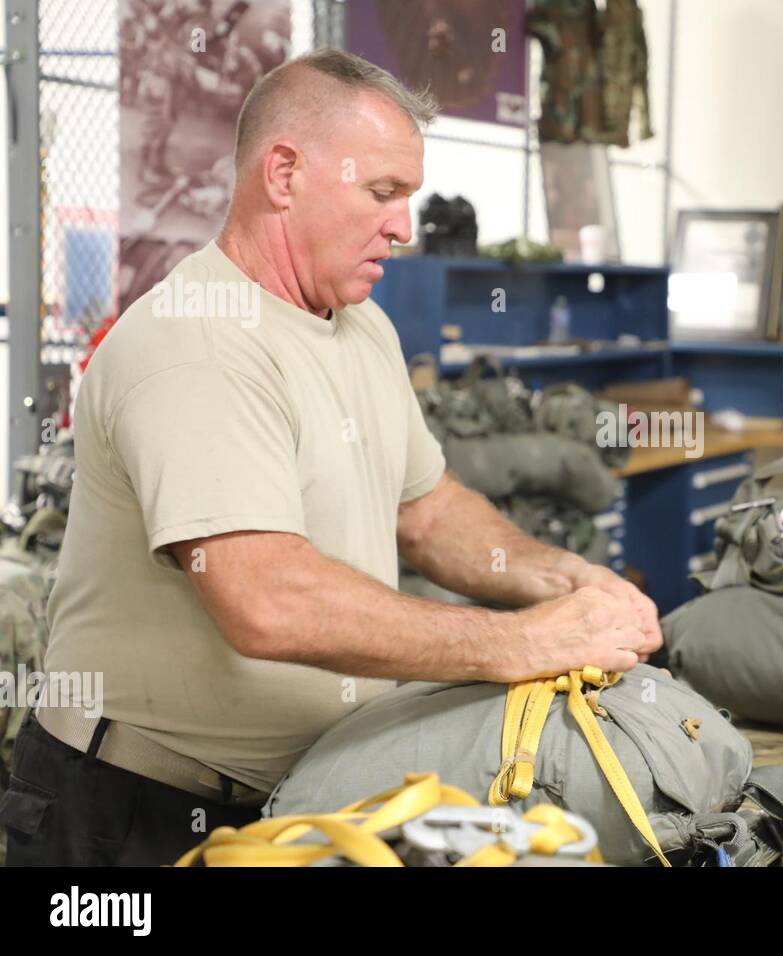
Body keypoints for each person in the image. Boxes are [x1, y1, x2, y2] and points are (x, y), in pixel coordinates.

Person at [2, 48, 660, 867]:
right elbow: (266, 599)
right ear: (283, 175)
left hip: (296, 803)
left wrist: (563, 579)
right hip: (132, 815)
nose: (405, 226)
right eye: (382, 193)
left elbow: (425, 509)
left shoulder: (362, 327)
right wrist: (523, 642)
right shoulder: (195, 341)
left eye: (409, 197)